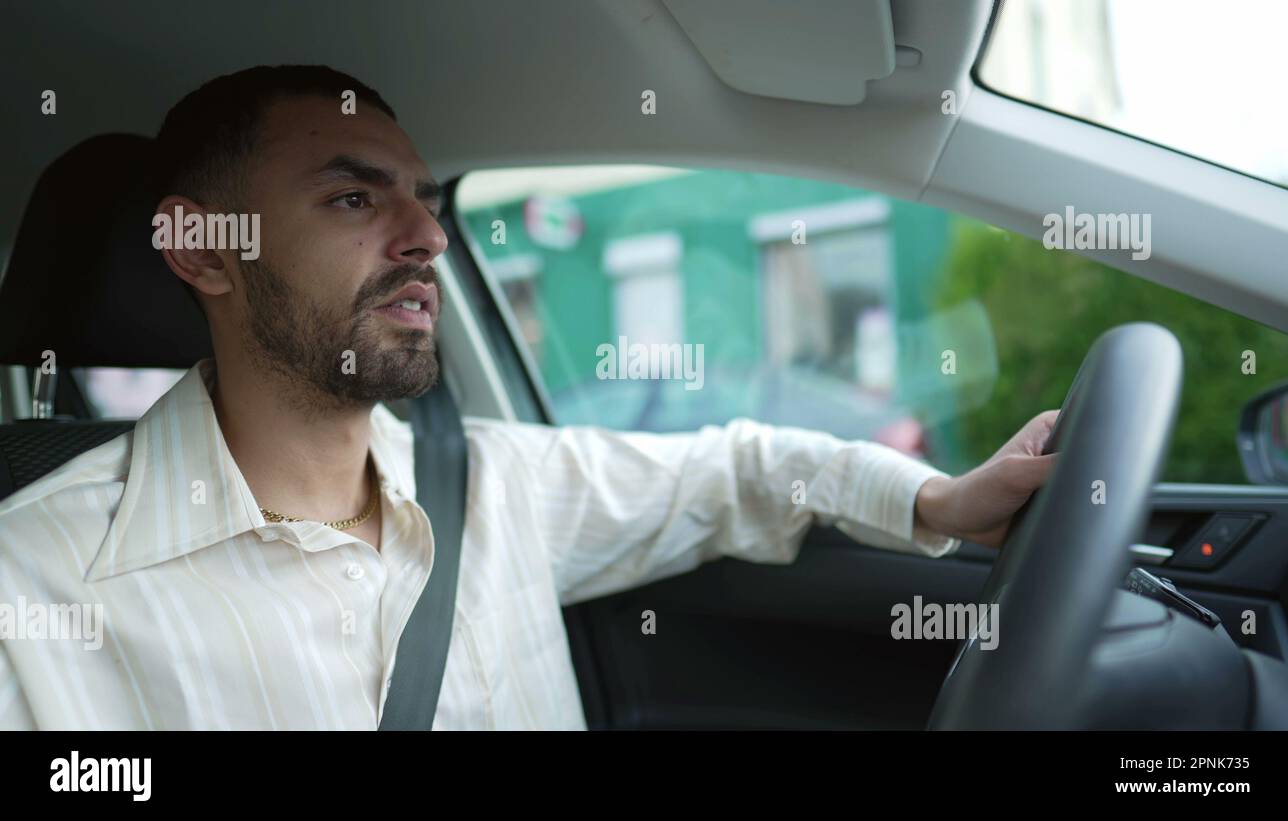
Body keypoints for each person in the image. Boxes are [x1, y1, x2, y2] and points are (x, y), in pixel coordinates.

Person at [0, 65, 1057, 730]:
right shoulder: (34, 585)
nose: (424, 235)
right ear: (200, 249)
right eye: (354, 196)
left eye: (421, 198)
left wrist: (935, 503)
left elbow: (738, 467)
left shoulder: (496, 483)